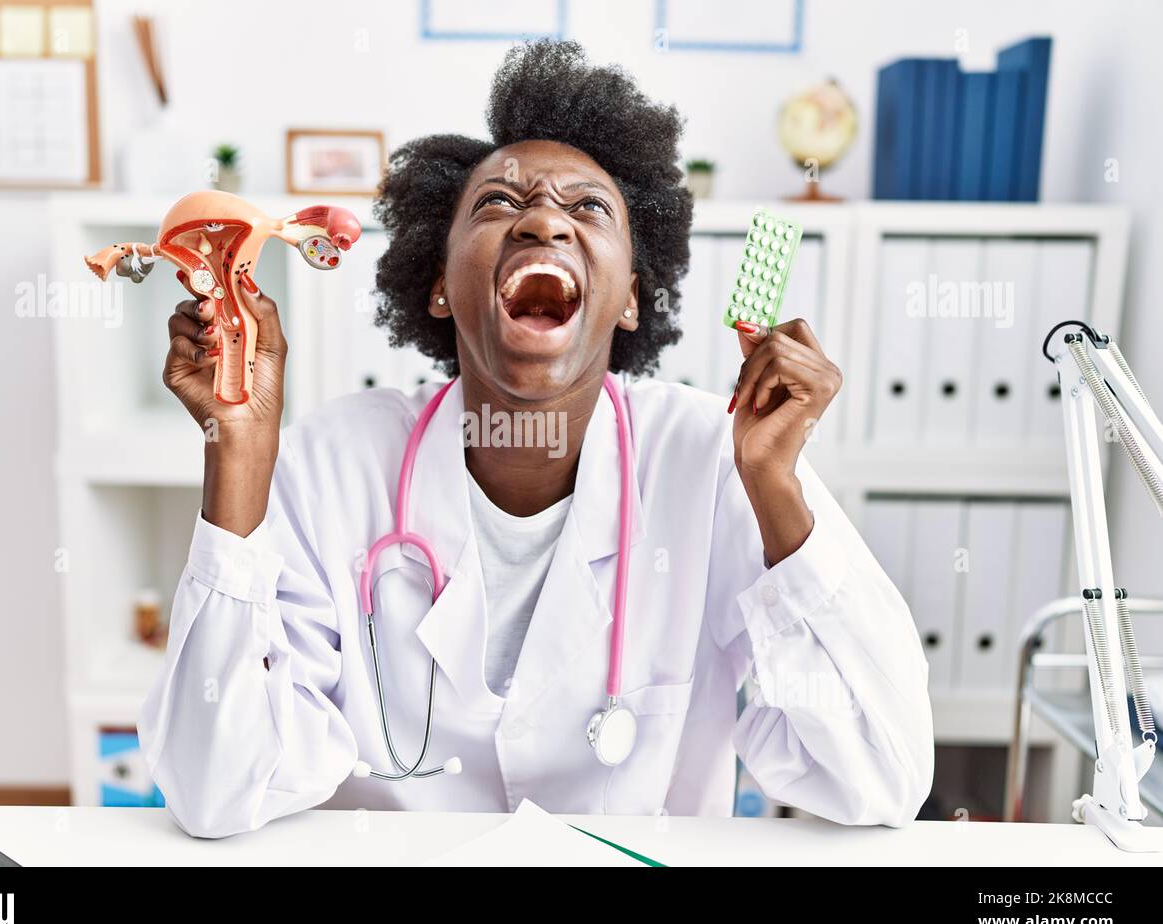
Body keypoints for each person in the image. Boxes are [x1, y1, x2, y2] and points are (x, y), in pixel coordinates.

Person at [139, 40, 932, 838]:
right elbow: (214, 791)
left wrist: (777, 490)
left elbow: (882, 775)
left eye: (588, 208)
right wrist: (234, 454)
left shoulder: (716, 455)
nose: (545, 219)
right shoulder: (329, 464)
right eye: (497, 204)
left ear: (629, 296)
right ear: (441, 285)